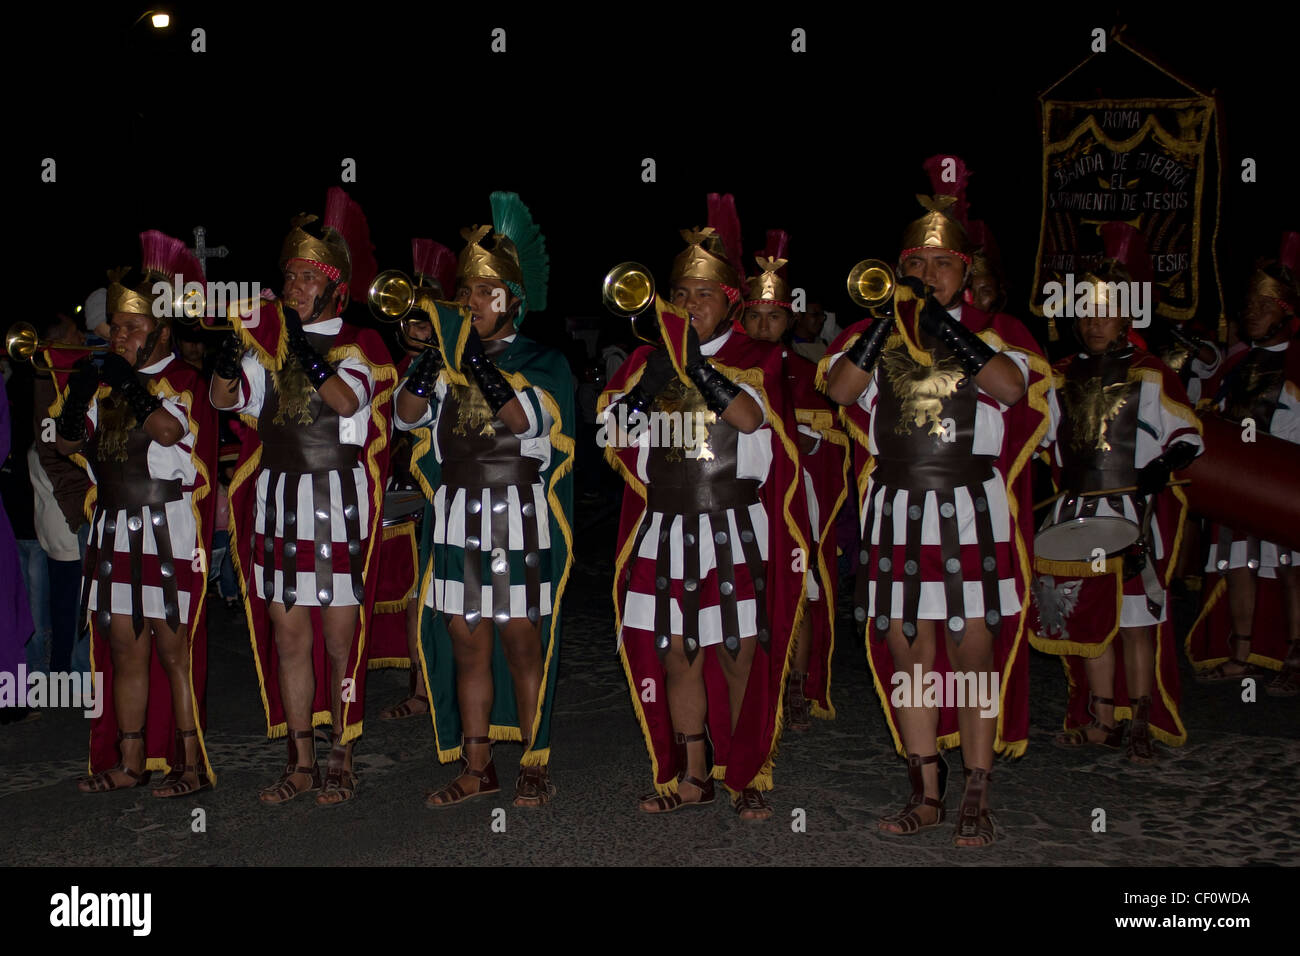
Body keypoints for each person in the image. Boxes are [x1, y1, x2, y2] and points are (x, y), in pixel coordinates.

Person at [821, 158, 1048, 846]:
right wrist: (896, 321)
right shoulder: (875, 334)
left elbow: (1014, 391)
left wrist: (944, 325)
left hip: (969, 505)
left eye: (940, 263)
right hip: (896, 506)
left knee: (971, 647)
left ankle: (977, 784)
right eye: (914, 262)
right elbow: (838, 393)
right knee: (908, 647)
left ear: (964, 268)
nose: (927, 273)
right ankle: (927, 784)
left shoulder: (995, 331)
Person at [600, 193, 807, 820]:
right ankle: (693, 774)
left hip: (733, 525)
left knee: (738, 652)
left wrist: (692, 364)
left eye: (705, 295)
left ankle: (749, 772)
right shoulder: (644, 361)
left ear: (732, 303)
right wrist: (658, 376)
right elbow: (612, 437)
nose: (691, 305)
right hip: (666, 528)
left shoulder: (758, 358)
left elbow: (747, 419)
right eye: (682, 293)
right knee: (677, 650)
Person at [213, 187, 396, 805]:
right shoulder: (268, 347)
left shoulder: (358, 345)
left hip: (336, 504)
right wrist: (228, 353)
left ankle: (342, 750)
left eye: (304, 277)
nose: (291, 285)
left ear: (334, 288)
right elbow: (228, 403)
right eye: (287, 275)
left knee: (342, 638)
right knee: (288, 635)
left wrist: (291, 337)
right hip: (277, 503)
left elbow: (345, 402)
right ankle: (300, 759)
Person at [395, 192, 574, 808]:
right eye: (466, 290)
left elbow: (523, 422)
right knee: (466, 635)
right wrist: (430, 356)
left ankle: (533, 758)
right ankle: (477, 766)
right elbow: (406, 415)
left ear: (512, 300)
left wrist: (469, 355)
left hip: (518, 519)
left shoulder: (543, 361)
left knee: (521, 637)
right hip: (458, 518)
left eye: (483, 291)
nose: (470, 301)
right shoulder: (443, 364)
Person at [1029, 223, 1202, 763]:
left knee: (1134, 618)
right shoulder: (1058, 376)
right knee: (1094, 620)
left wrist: (1164, 466)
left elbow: (1188, 436)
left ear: (1127, 316)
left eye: (1104, 313)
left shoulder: (1150, 374)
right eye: (1085, 312)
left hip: (1131, 510)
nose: (1092, 323)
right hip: (1076, 512)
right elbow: (1040, 442)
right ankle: (1101, 718)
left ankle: (1142, 720)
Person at [52, 231, 217, 795]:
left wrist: (131, 386)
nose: (120, 336)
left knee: (174, 650)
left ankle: (191, 765)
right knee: (125, 648)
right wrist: (77, 398)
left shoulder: (185, 381)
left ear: (162, 332)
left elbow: (170, 431)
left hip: (165, 531)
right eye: (117, 327)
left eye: (133, 327)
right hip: (114, 531)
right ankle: (130, 761)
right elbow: (69, 445)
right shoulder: (106, 385)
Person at [739, 232, 848, 729]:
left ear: (789, 320)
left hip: (791, 499)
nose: (764, 326)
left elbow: (836, 440)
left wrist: (810, 442)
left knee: (801, 587)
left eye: (775, 316)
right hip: (735, 496)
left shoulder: (806, 373)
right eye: (755, 316)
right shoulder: (723, 367)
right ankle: (750, 681)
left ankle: (797, 683)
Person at [1187, 232, 1300, 695]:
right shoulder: (1237, 366)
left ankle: (1296, 654)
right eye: (1248, 304)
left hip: (1286, 483)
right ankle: (1243, 651)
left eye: (1262, 304)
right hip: (1243, 482)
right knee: (1240, 562)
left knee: (1292, 566)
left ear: (1286, 310)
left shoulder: (1297, 363)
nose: (1249, 312)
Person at [375, 237, 455, 721]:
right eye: (411, 319)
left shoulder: (465, 362)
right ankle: (421, 689)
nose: (417, 327)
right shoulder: (395, 369)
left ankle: (455, 685)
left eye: (426, 317)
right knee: (414, 597)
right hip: (406, 498)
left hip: (455, 496)